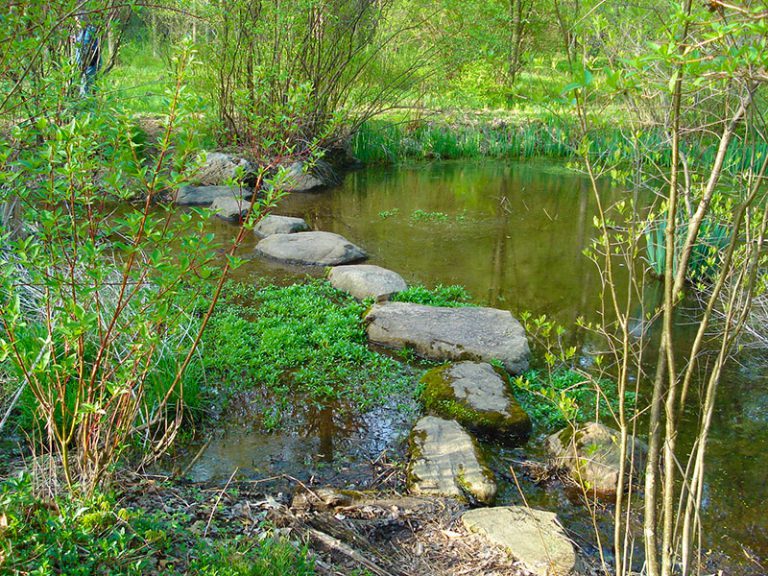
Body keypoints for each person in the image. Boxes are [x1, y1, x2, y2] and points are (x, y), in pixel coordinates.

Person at [74, 16, 101, 96]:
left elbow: (85, 45)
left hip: (89, 64)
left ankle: (86, 104)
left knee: (86, 86)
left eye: (77, 21)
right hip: (84, 64)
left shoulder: (89, 31)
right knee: (84, 85)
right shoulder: (82, 31)